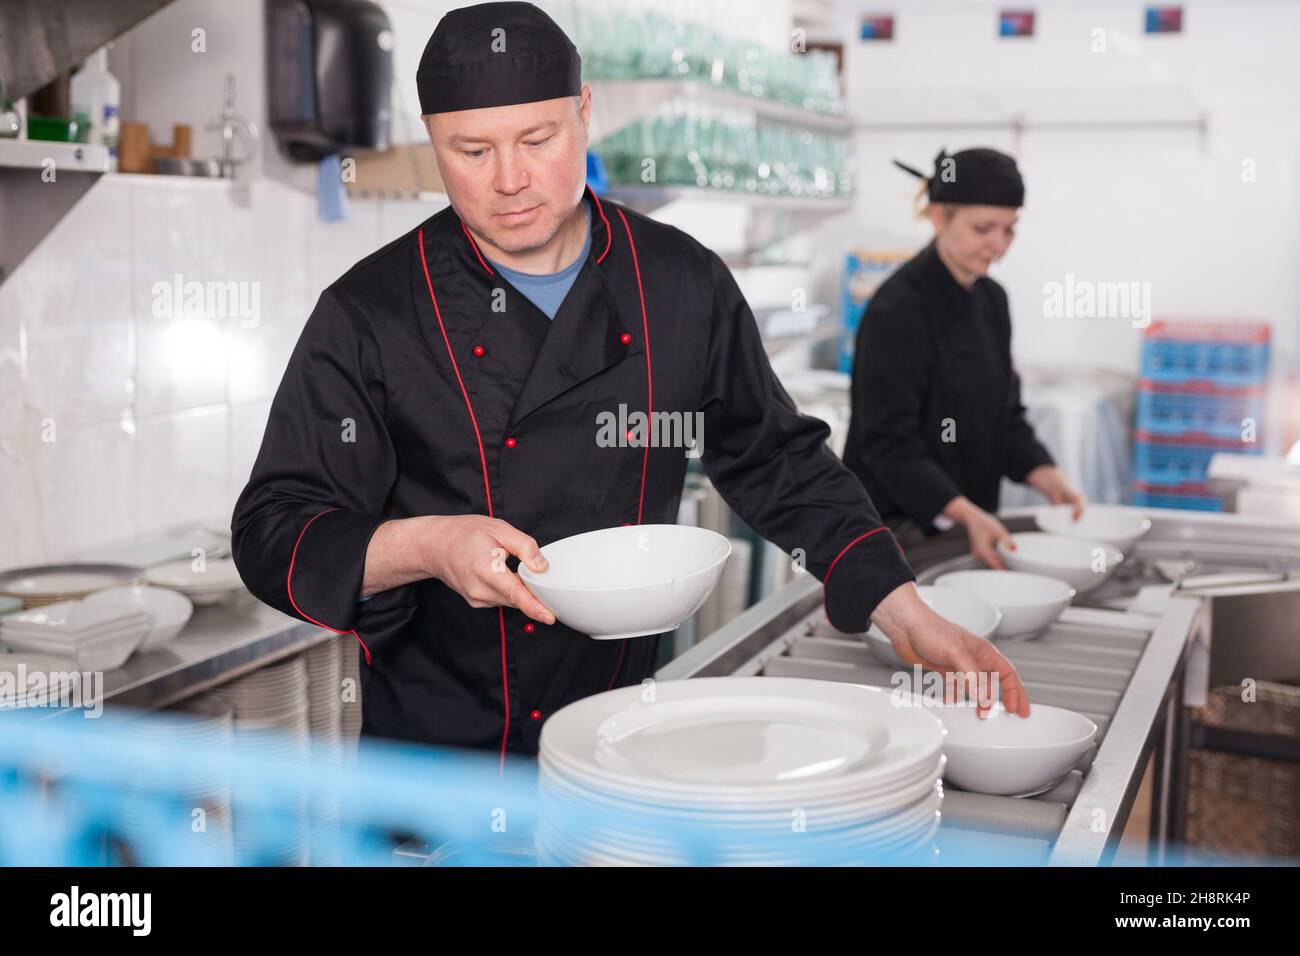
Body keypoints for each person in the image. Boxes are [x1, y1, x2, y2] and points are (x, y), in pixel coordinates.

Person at [232, 4, 1029, 770]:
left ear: (585, 112)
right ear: (432, 141)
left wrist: (900, 604)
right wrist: (426, 546)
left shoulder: (679, 282)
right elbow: (272, 532)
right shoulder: (371, 311)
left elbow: (775, 460)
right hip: (436, 754)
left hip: (622, 730)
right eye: (471, 151)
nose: (510, 180)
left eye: (537, 139)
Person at [843, 147, 1084, 569]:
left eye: (1009, 230)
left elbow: (1004, 417)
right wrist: (963, 511)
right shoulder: (896, 310)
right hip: (896, 534)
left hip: (970, 524)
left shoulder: (991, 300)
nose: (999, 245)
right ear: (939, 218)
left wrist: (1045, 472)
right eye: (983, 228)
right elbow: (887, 444)